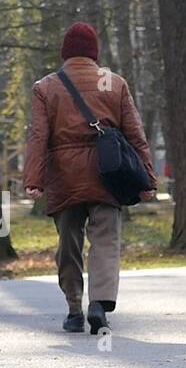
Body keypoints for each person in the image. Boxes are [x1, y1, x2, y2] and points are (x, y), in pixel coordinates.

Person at [23, 22, 157, 334]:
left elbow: (38, 136)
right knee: (106, 241)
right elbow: (136, 135)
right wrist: (147, 179)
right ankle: (99, 303)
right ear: (94, 53)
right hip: (107, 173)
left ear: (65, 53)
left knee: (68, 243)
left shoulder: (46, 86)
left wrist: (34, 179)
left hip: (64, 176)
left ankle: (73, 310)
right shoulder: (115, 83)